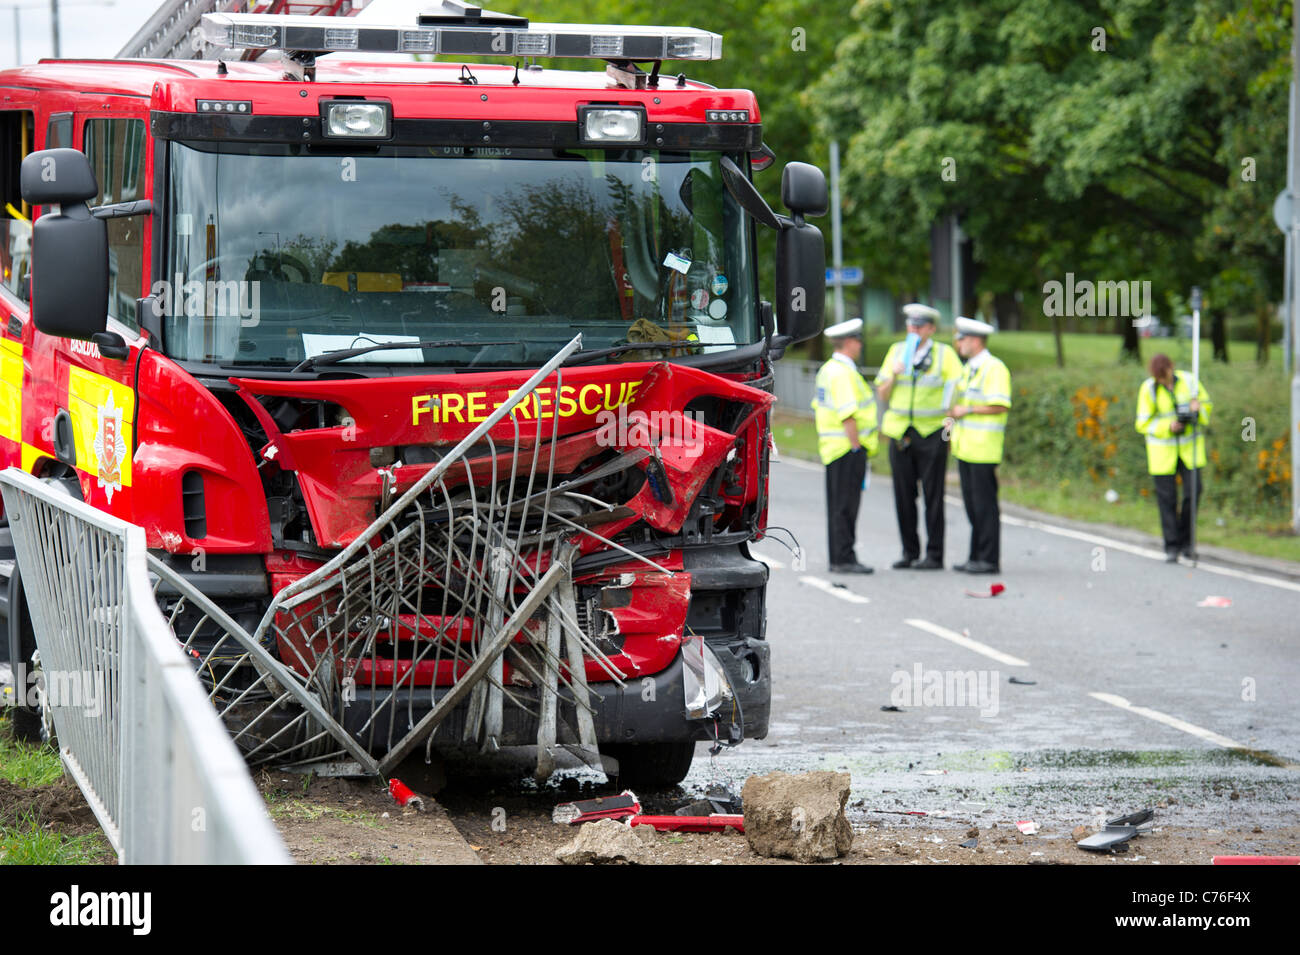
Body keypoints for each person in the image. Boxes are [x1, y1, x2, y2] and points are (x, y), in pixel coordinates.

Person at [874, 303, 963, 569]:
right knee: (903, 495)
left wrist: (949, 427)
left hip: (932, 432)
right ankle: (909, 552)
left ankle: (934, 555)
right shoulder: (896, 351)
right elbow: (882, 394)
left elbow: (958, 389)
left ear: (931, 329)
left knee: (933, 496)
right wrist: (893, 374)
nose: (914, 330)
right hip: (901, 433)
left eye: (919, 326)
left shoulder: (944, 354)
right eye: (911, 325)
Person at [812, 317, 879, 574]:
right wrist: (856, 447)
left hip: (834, 449)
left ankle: (840, 557)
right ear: (849, 342)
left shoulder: (829, 369)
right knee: (846, 507)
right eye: (858, 341)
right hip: (846, 449)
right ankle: (844, 558)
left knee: (838, 506)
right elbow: (848, 414)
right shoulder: (842, 373)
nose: (860, 345)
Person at [948, 317, 1012, 573]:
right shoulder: (969, 369)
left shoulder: (994, 368)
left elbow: (1000, 404)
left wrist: (968, 410)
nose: (958, 343)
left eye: (962, 339)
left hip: (983, 449)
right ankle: (975, 556)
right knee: (972, 506)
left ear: (975, 341)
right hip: (966, 448)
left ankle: (989, 559)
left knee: (985, 507)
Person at [1135, 353, 1212, 562]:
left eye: (1166, 376)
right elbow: (1142, 423)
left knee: (1193, 493)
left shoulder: (1189, 382)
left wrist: (1198, 410)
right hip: (1162, 454)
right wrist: (1167, 427)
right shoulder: (1148, 389)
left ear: (1172, 367)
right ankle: (1171, 546)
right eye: (1160, 378)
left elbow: (1207, 407)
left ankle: (1187, 543)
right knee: (1167, 500)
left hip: (1189, 451)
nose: (1164, 381)